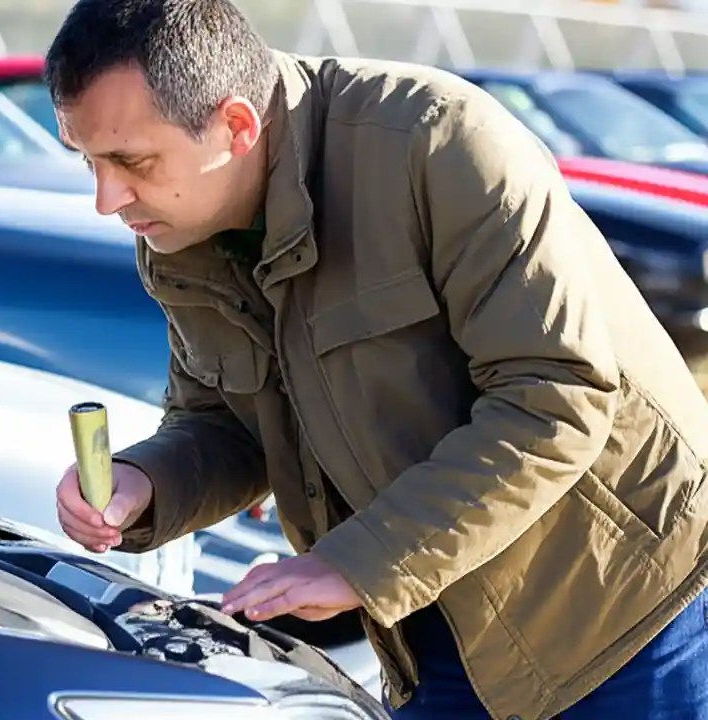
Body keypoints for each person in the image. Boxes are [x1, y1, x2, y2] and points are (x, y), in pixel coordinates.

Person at [46, 1, 708, 718]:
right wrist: (146, 481)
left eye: (131, 162)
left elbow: (556, 395)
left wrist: (355, 563)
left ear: (237, 126)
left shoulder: (439, 141)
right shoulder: (180, 225)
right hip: (427, 622)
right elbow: (229, 423)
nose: (107, 200)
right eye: (89, 162)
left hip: (627, 613)